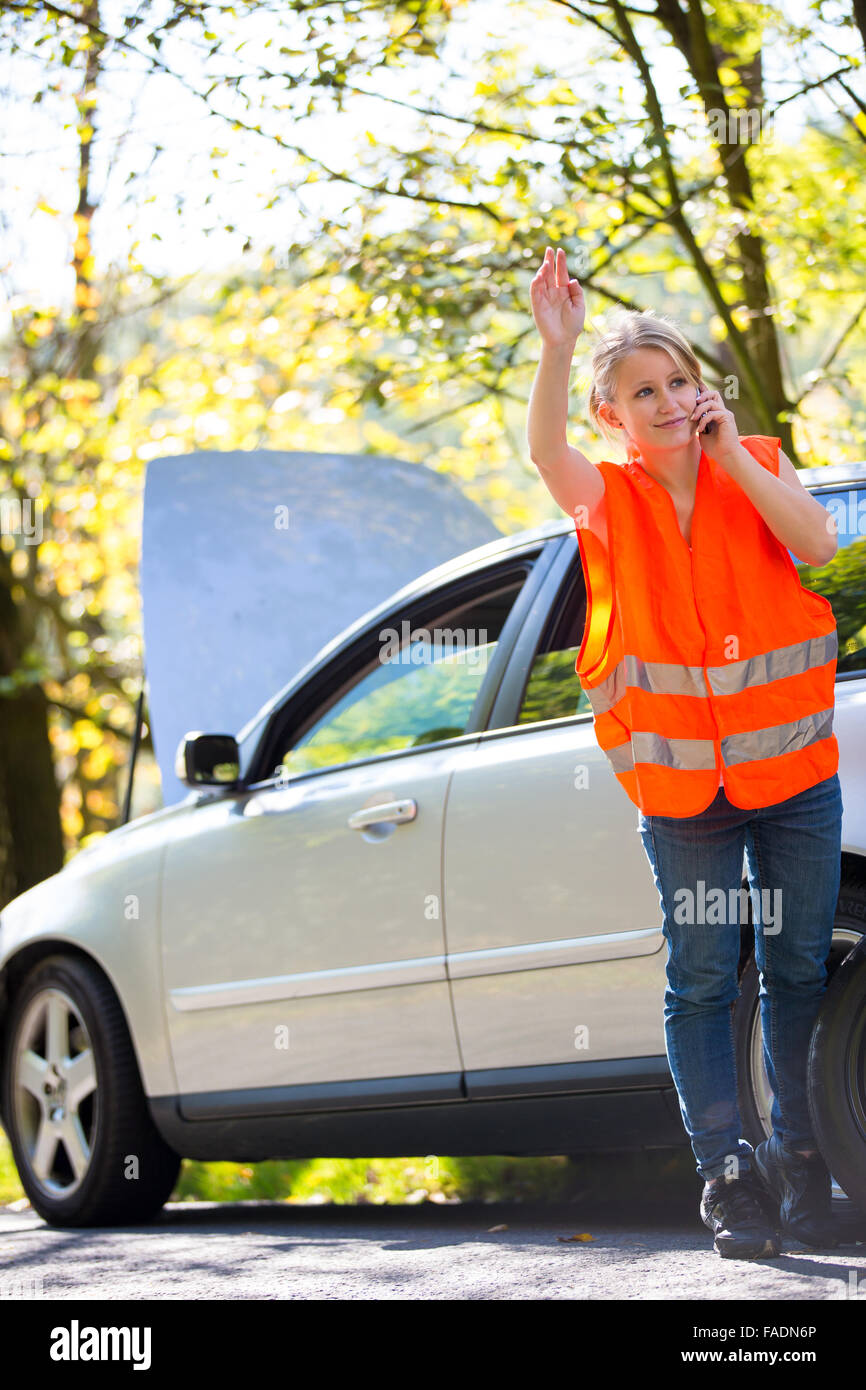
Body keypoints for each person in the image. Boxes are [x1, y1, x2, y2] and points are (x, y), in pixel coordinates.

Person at [527, 245, 843, 1261]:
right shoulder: (604, 504)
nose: (666, 401)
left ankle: (802, 1161)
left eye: (678, 382)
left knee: (795, 968)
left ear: (702, 391)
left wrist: (733, 458)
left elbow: (816, 546)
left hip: (790, 777)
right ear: (608, 417)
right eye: (641, 392)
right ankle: (728, 1174)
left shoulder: (753, 462)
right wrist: (558, 346)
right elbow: (542, 456)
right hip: (680, 793)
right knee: (702, 978)